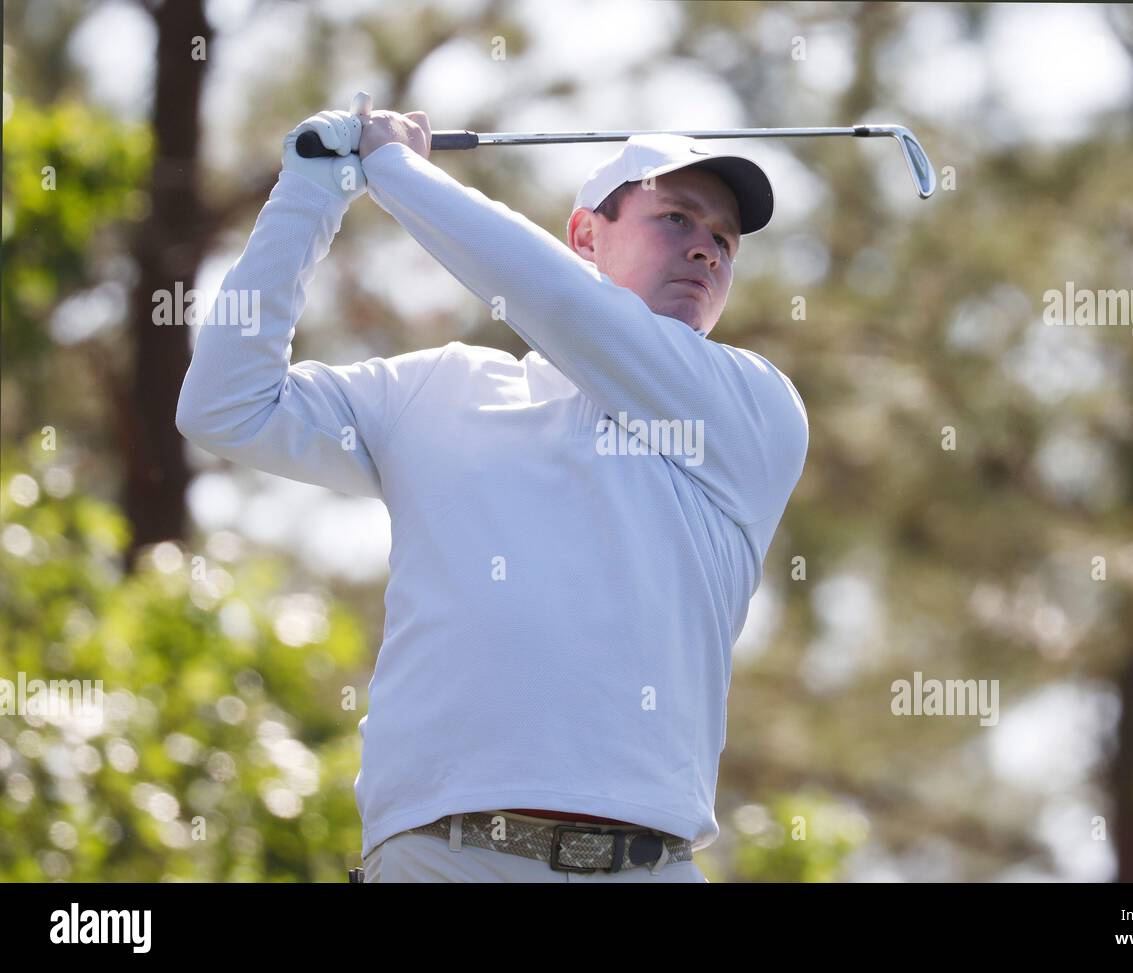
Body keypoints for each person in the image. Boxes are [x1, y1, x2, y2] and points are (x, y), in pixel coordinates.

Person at [175, 98, 808, 882]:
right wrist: (308, 193)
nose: (707, 252)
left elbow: (564, 305)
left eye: (724, 240)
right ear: (585, 235)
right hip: (441, 861)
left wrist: (395, 169)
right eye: (676, 218)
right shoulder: (436, 390)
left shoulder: (752, 409)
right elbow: (224, 406)